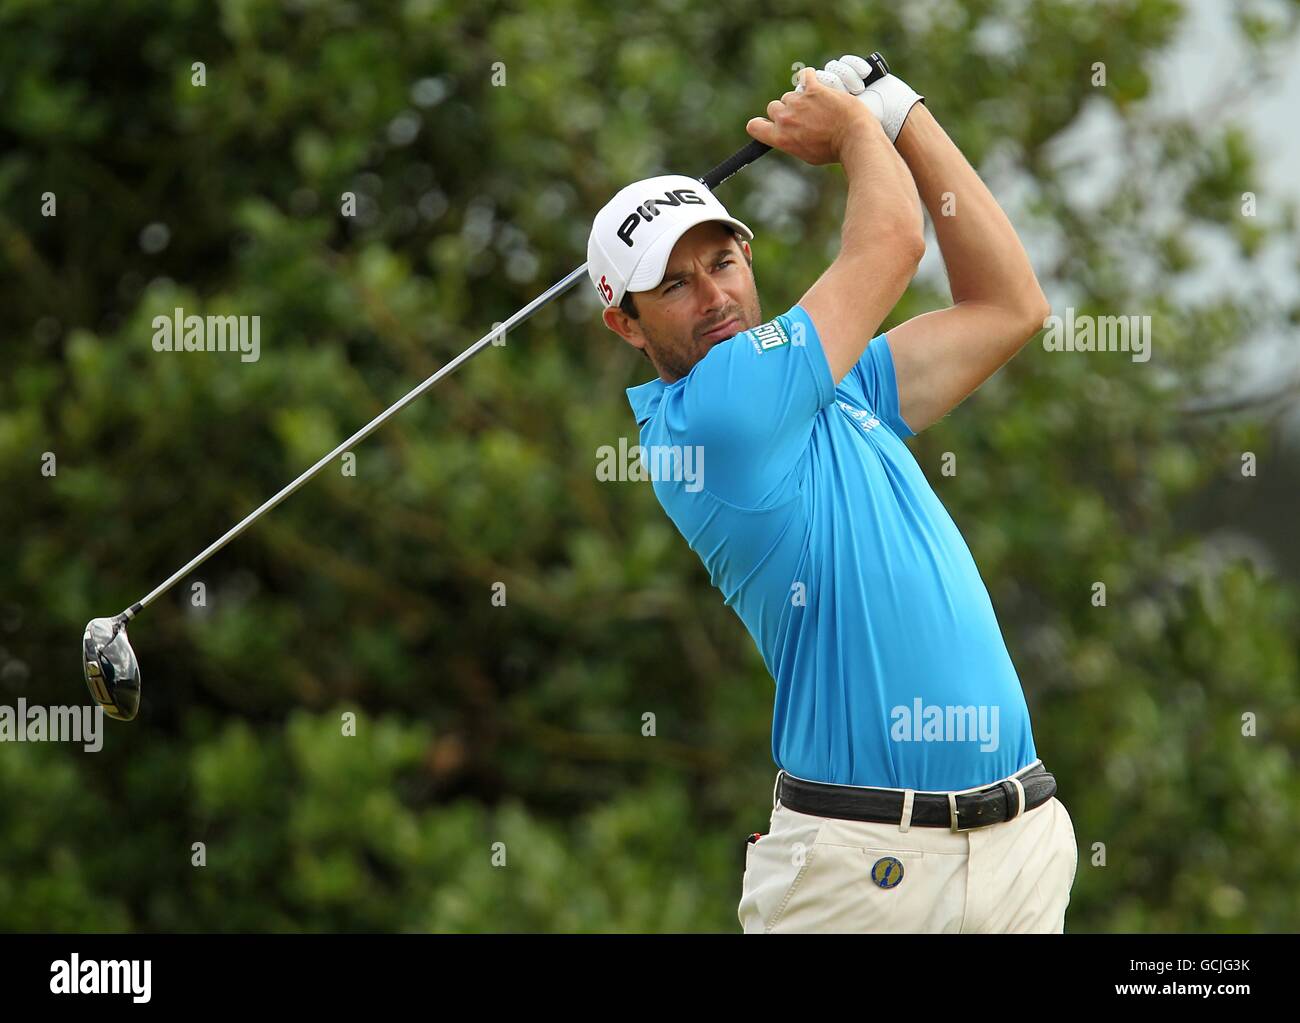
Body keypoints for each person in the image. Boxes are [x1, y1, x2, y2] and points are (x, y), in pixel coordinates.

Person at [585, 56, 1076, 933]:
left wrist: (900, 108)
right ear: (625, 322)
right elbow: (892, 244)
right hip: (862, 870)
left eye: (723, 260)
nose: (714, 296)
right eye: (674, 284)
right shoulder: (716, 417)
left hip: (1017, 845)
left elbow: (1010, 305)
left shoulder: (834, 387)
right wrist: (856, 129)